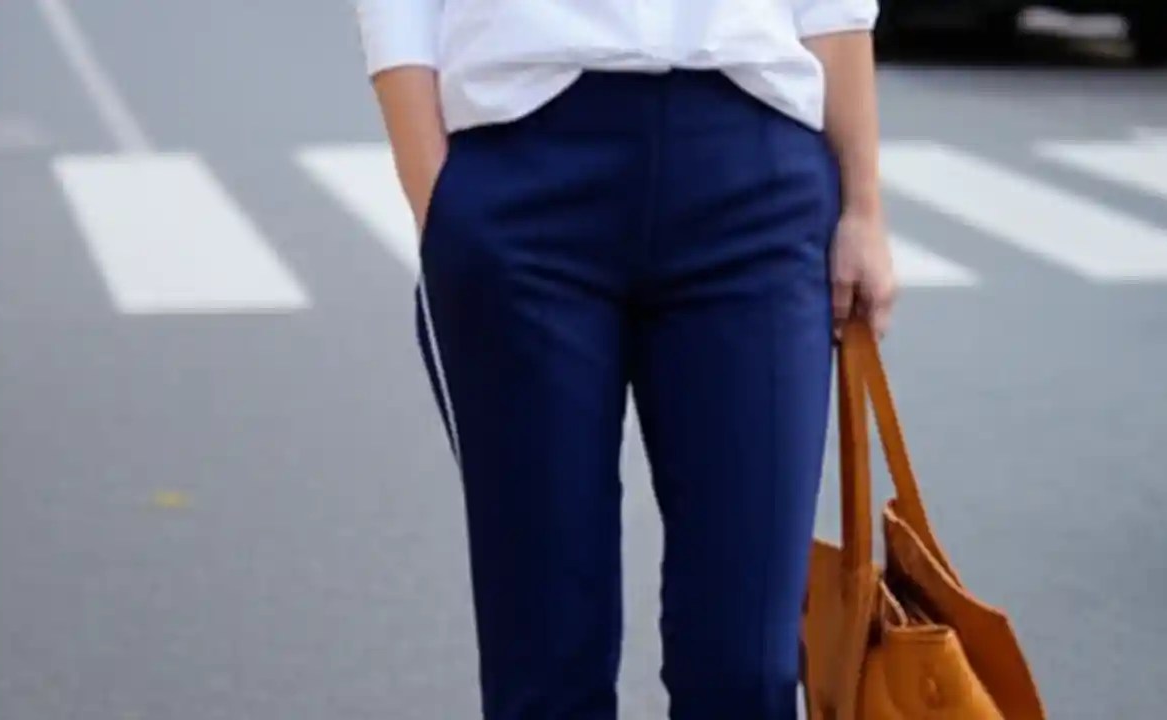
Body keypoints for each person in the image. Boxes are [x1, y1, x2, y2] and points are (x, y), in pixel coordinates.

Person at [353, 1, 897, 717]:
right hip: (523, 173)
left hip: (754, 174)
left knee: (748, 666)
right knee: (546, 658)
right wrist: (442, 202)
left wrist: (863, 205)